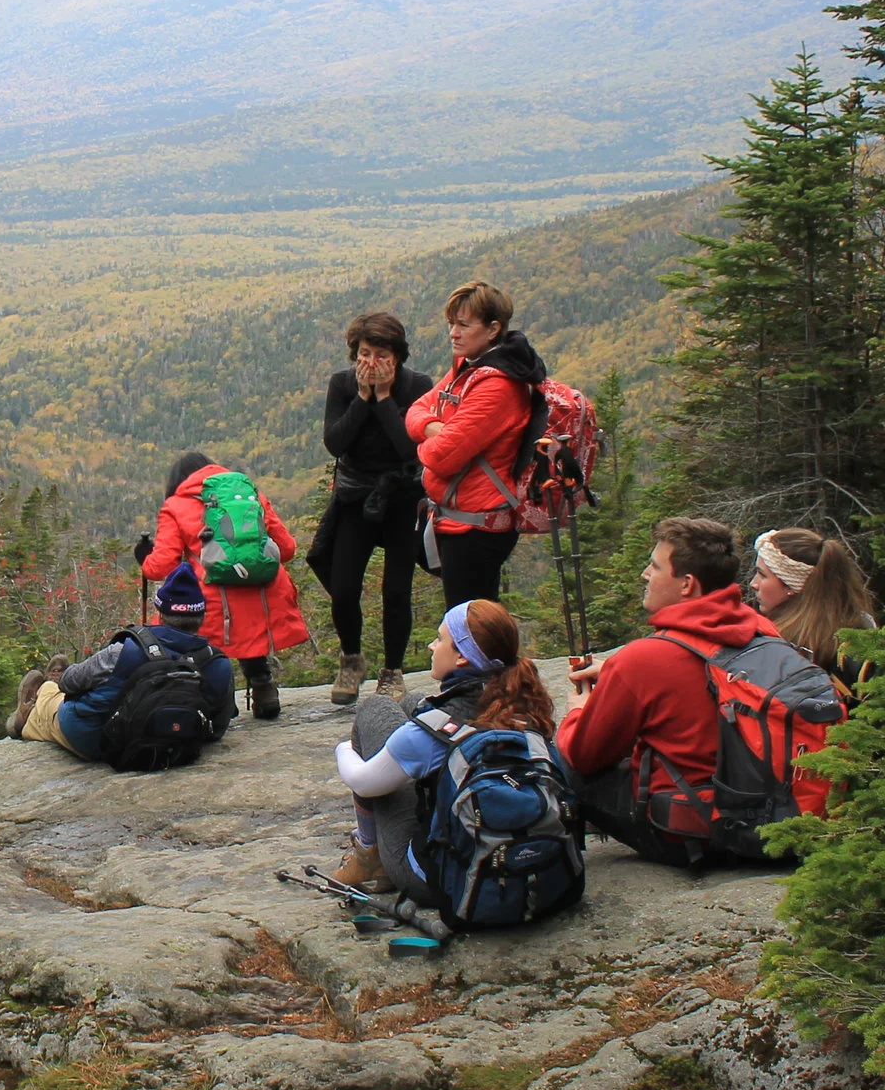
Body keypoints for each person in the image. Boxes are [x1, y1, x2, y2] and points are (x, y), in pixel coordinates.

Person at [331, 600, 576, 937]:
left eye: (439, 638)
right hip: (537, 865)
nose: (432, 646)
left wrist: (344, 748)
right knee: (410, 701)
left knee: (375, 708)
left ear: (461, 656)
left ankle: (368, 852)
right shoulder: (525, 706)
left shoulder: (435, 729)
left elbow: (363, 780)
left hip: (439, 879)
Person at [557, 517, 774, 868]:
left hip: (689, 833)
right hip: (766, 814)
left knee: (563, 755)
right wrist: (618, 670)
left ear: (686, 584)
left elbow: (585, 755)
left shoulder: (645, 660)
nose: (645, 574)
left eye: (655, 567)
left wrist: (578, 710)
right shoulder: (763, 632)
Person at [306, 312, 434, 706]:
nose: (372, 362)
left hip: (402, 497)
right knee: (343, 588)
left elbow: (409, 447)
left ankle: (392, 672)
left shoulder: (418, 387)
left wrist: (383, 399)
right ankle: (351, 659)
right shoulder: (343, 385)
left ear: (397, 355)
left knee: (396, 590)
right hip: (355, 496)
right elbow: (336, 443)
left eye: (381, 353)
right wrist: (363, 397)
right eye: (364, 353)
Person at [405, 280, 547, 606]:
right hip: (457, 521)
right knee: (470, 624)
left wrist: (428, 439)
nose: (453, 333)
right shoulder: (469, 367)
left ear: (493, 329)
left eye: (464, 325)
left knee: (471, 630)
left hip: (476, 529)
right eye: (451, 324)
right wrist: (438, 428)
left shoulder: (498, 385)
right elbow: (416, 410)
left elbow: (440, 458)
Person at [139, 451, 308, 719]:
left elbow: (161, 567)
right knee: (248, 625)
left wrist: (144, 559)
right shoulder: (250, 496)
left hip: (214, 599)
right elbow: (286, 549)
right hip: (266, 591)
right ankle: (264, 688)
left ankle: (220, 699)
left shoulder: (176, 505)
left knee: (204, 635)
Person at [6, 563, 237, 758]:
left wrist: (62, 680)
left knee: (52, 693)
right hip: (178, 744)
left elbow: (70, 683)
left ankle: (28, 717)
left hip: (102, 741)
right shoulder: (218, 663)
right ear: (201, 616)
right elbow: (218, 727)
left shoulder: (124, 651)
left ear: (161, 612)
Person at [748, 527, 876, 693]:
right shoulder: (859, 625)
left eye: (762, 575)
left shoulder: (787, 646)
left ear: (791, 585)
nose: (753, 584)